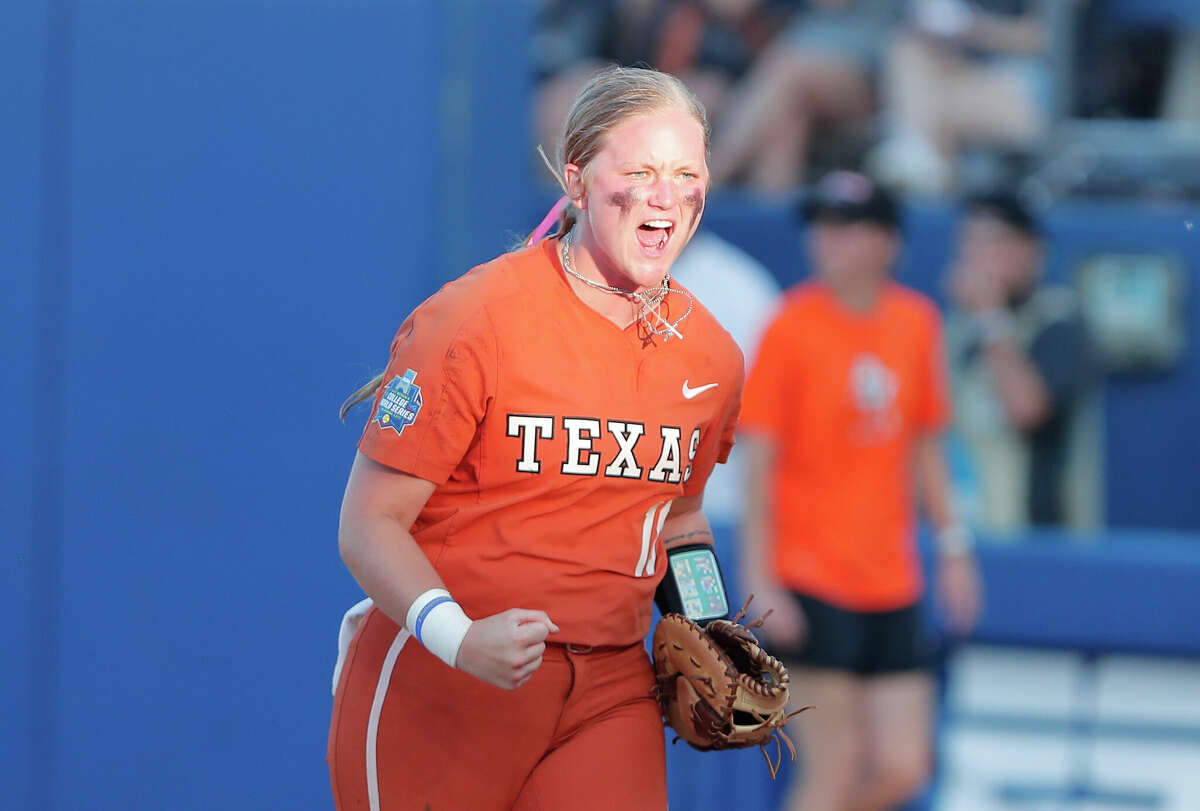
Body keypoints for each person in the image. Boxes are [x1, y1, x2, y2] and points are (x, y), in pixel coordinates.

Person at [327, 66, 745, 811]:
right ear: (578, 182)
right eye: (641, 170)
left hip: (608, 688)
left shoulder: (709, 355)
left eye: (686, 173)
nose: (665, 195)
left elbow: (678, 519)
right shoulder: (478, 318)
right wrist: (457, 636)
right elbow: (367, 524)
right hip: (448, 674)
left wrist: (711, 624)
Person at [739, 170, 982, 811]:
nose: (829, 241)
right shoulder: (789, 326)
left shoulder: (916, 322)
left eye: (848, 227)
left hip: (891, 579)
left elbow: (926, 443)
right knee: (835, 765)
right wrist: (761, 576)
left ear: (887, 243)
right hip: (811, 576)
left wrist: (954, 549)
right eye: (823, 227)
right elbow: (757, 461)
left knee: (906, 767)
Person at [945, 192, 1098, 531]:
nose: (977, 258)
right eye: (968, 243)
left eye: (993, 242)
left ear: (1033, 250)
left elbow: (1027, 410)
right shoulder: (956, 332)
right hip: (967, 534)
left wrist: (990, 316)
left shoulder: (1060, 322)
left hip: (1040, 539)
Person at [709, 0, 904, 193]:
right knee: (787, 116)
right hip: (791, 66)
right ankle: (769, 215)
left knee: (789, 72)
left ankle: (710, 182)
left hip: (867, 74)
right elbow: (732, 8)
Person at [869, 0, 1052, 195]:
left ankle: (920, 151)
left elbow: (1050, 38)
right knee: (907, 49)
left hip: (1035, 95)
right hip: (971, 85)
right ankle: (923, 152)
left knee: (926, 115)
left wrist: (971, 28)